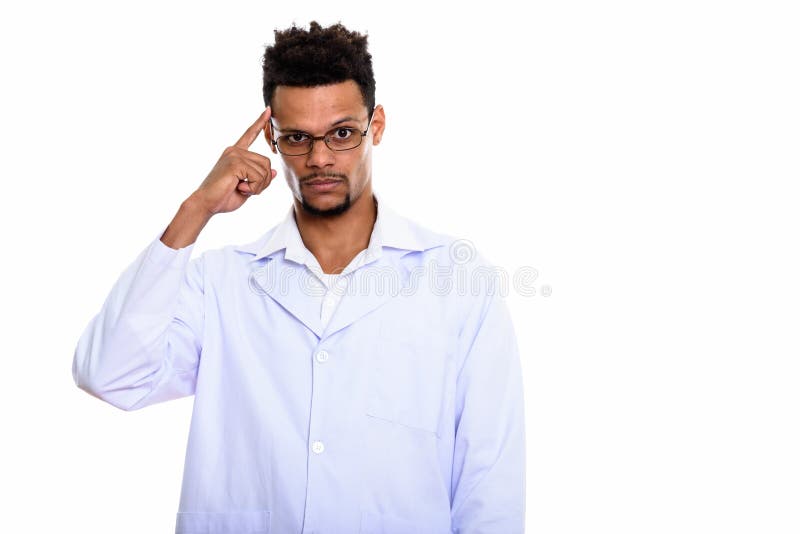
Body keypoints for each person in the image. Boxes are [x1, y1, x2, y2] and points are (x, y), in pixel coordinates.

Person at [73, 21, 526, 534]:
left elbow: (490, 481)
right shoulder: (221, 284)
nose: (319, 158)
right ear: (271, 137)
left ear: (375, 126)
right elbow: (109, 374)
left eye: (342, 133)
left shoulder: (455, 282)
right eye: (296, 138)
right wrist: (195, 209)